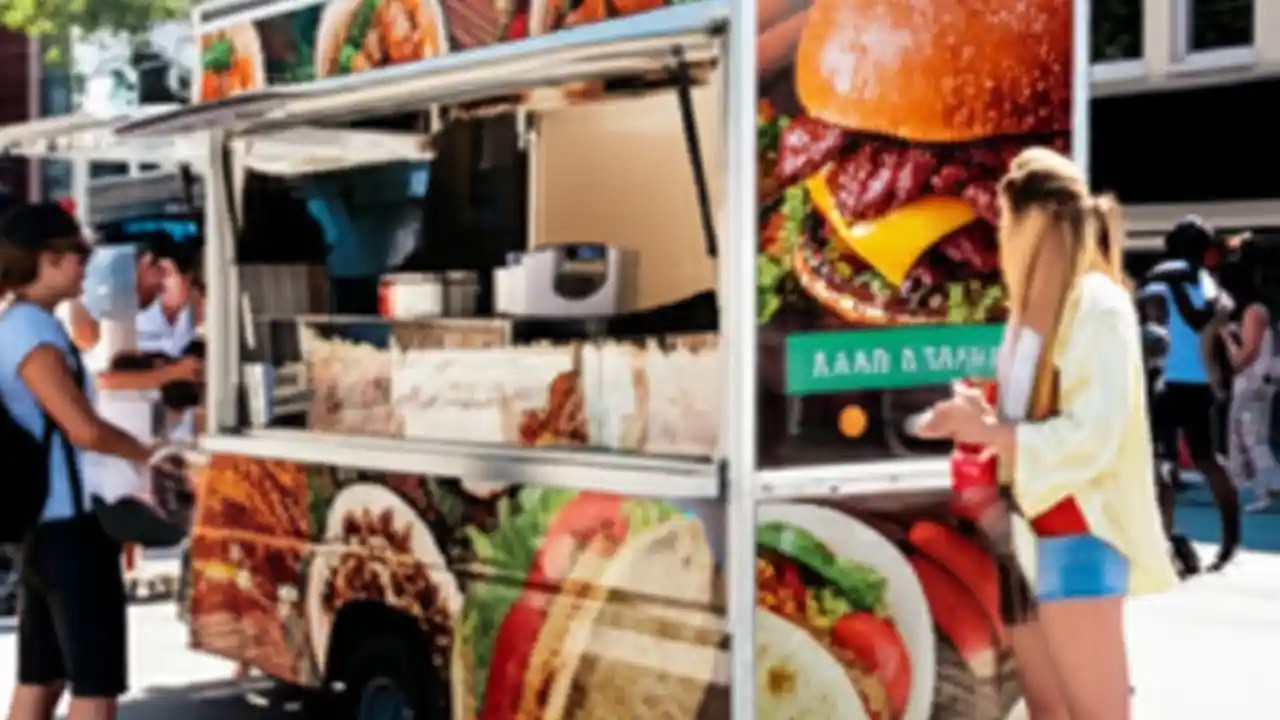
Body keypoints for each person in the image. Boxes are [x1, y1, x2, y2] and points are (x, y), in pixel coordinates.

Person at [920, 148, 1177, 720]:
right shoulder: (1035, 309)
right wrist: (978, 410)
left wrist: (991, 429)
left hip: (1078, 537)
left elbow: (1094, 434)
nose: (1002, 240)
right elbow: (1026, 418)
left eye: (1006, 224)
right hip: (1028, 540)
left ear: (1029, 222)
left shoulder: (1097, 303)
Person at [0, 203, 158, 720]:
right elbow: (83, 429)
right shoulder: (32, 334)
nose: (85, 264)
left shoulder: (21, 324)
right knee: (95, 685)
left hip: (37, 528)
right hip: (68, 529)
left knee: (41, 677)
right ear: (45, 259)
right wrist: (149, 455)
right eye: (77, 253)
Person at [1140, 216, 1240, 571]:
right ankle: (1230, 540)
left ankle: (1164, 541)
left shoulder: (1156, 277)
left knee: (1162, 460)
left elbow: (1151, 325)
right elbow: (1208, 318)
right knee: (1207, 458)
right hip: (1200, 382)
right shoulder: (1203, 278)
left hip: (1164, 380)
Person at [1138, 288, 1200, 576]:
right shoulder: (1167, 339)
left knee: (1160, 481)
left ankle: (1161, 542)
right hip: (1157, 426)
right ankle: (1162, 539)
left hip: (1152, 426)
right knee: (1162, 481)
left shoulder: (1151, 337)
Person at [1217, 259, 1280, 512]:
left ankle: (1263, 490)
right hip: (1253, 382)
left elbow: (1245, 354)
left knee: (1252, 439)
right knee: (1246, 436)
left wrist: (1228, 340)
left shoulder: (1252, 312)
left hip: (1252, 383)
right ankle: (1268, 483)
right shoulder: (1255, 310)